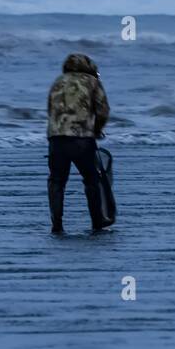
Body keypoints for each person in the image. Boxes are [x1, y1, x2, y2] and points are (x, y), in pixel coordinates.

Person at [47, 53, 111, 234]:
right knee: (92, 180)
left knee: (57, 182)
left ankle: (57, 225)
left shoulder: (58, 82)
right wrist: (97, 130)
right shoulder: (92, 82)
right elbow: (103, 110)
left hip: (57, 140)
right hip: (82, 139)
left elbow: (50, 110)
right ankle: (97, 223)